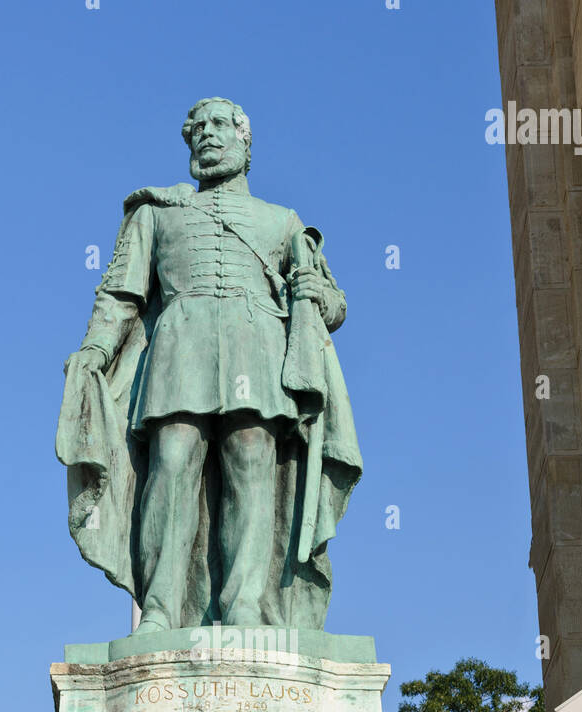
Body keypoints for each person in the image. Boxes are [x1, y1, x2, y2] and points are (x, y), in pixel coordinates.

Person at [56, 97, 362, 632]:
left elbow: (332, 306)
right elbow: (120, 296)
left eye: (219, 125)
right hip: (179, 346)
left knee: (251, 460)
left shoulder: (282, 221)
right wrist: (95, 351)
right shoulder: (155, 215)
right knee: (172, 461)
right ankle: (161, 608)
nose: (206, 135)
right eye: (195, 128)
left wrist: (318, 292)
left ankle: (245, 605)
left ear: (246, 142)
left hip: (258, 346)